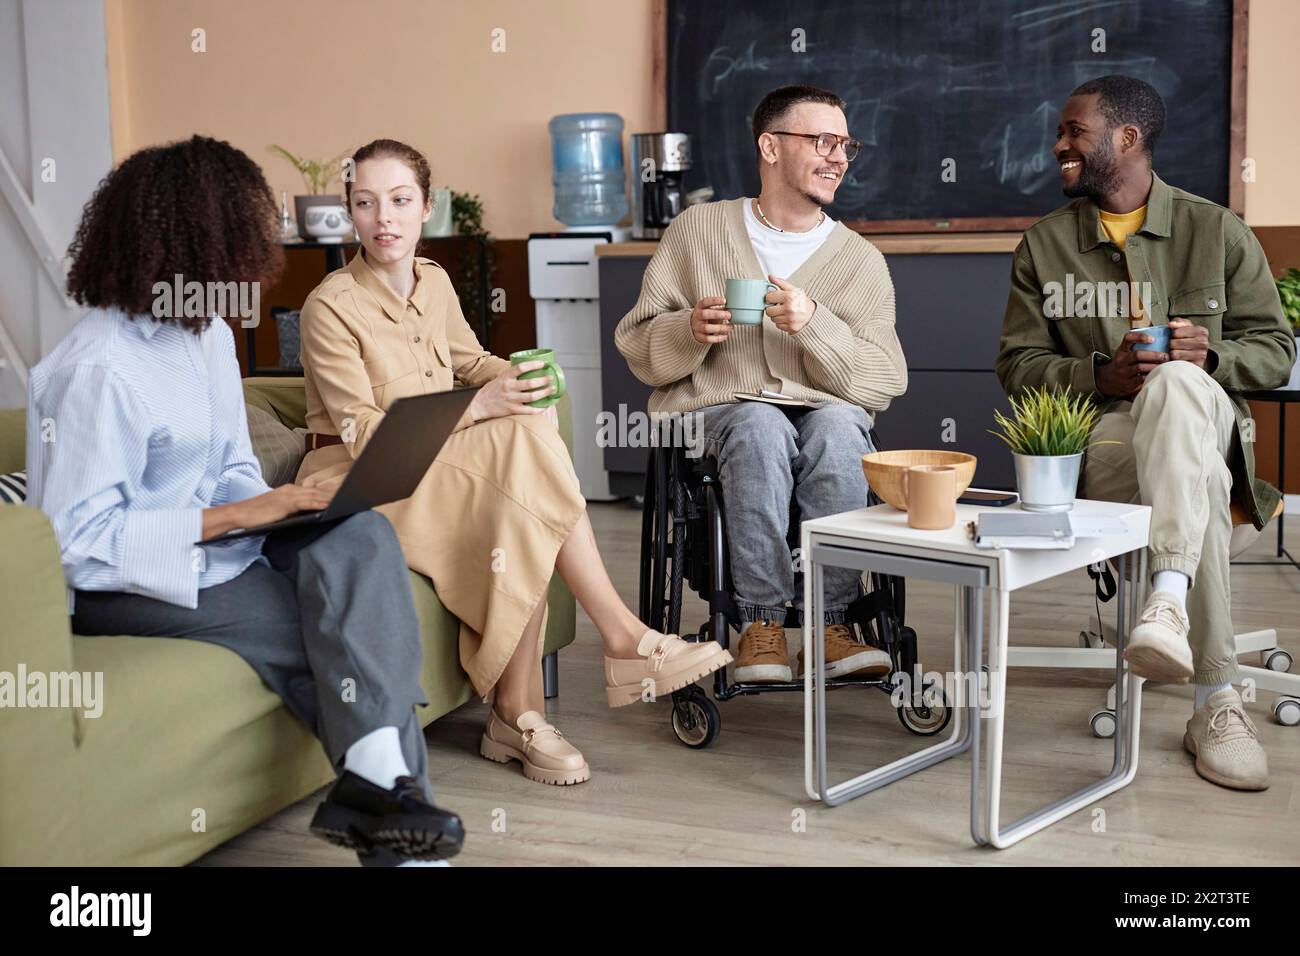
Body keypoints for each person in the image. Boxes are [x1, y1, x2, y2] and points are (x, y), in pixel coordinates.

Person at [27, 135, 463, 866]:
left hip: (223, 544)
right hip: (125, 581)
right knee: (330, 629)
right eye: (235, 245)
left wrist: (280, 504)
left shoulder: (206, 339)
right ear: (185, 249)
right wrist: (237, 518)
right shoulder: (96, 371)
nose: (248, 266)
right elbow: (76, 543)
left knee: (360, 538)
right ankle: (399, 826)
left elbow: (231, 462)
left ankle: (373, 793)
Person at [295, 139, 730, 786]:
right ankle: (604, 653)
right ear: (351, 213)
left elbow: (471, 363)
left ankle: (524, 714)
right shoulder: (328, 306)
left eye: (399, 200)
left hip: (440, 458)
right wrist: (480, 407)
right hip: (361, 477)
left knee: (524, 449)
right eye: (365, 203)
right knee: (517, 450)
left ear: (426, 208)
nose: (383, 218)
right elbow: (361, 432)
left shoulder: (435, 281)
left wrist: (525, 379)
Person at [996, 75, 1295, 791]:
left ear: (1126, 139)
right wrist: (1102, 378)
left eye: (1074, 132)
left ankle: (1168, 601)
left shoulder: (1214, 229)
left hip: (1205, 428)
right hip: (1110, 450)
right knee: (1199, 485)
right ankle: (1215, 702)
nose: (1059, 145)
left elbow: (1277, 350)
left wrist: (1211, 356)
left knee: (1183, 385)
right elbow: (1015, 365)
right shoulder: (1044, 246)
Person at [615, 85, 908, 684]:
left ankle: (831, 625)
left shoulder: (860, 261)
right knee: (758, 423)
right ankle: (760, 625)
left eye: (845, 144)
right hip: (723, 415)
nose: (839, 157)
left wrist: (816, 325)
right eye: (822, 141)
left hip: (823, 411)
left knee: (837, 427)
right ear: (770, 147)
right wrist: (688, 329)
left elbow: (885, 377)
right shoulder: (698, 230)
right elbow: (637, 347)